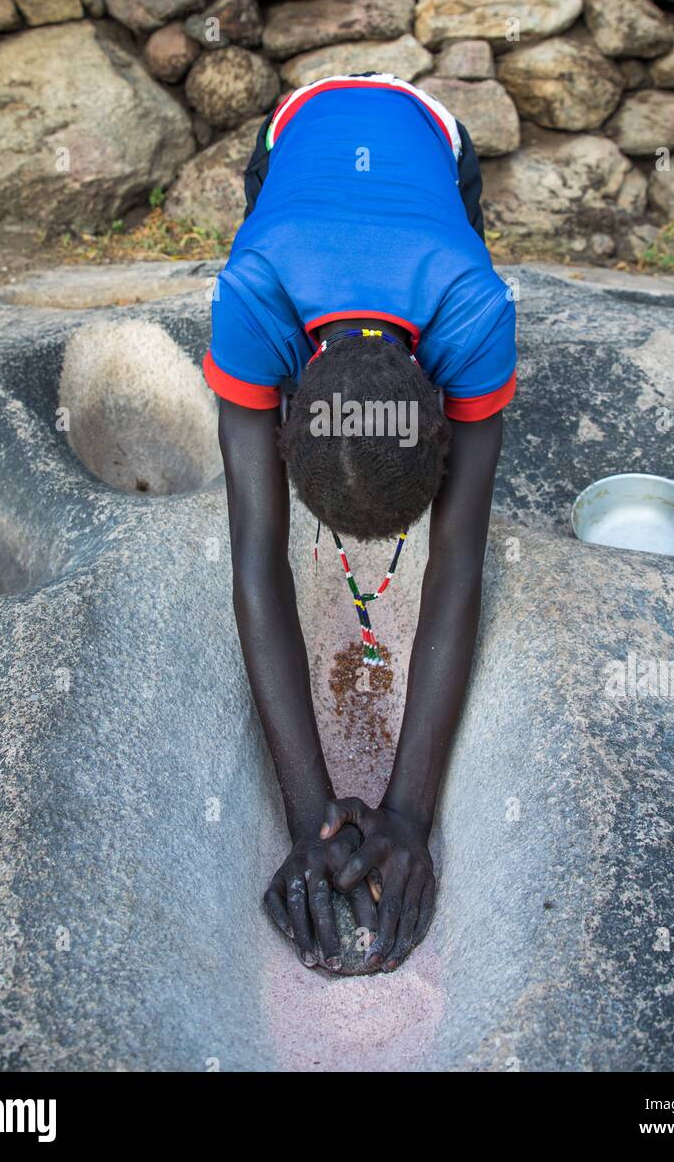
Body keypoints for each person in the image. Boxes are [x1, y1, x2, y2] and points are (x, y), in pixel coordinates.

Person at [206, 73, 516, 973]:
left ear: (445, 408)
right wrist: (310, 820)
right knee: (270, 212)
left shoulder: (476, 307)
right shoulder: (250, 296)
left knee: (457, 223)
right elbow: (256, 564)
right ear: (282, 409)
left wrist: (411, 816)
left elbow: (456, 565)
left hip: (432, 136)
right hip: (296, 123)